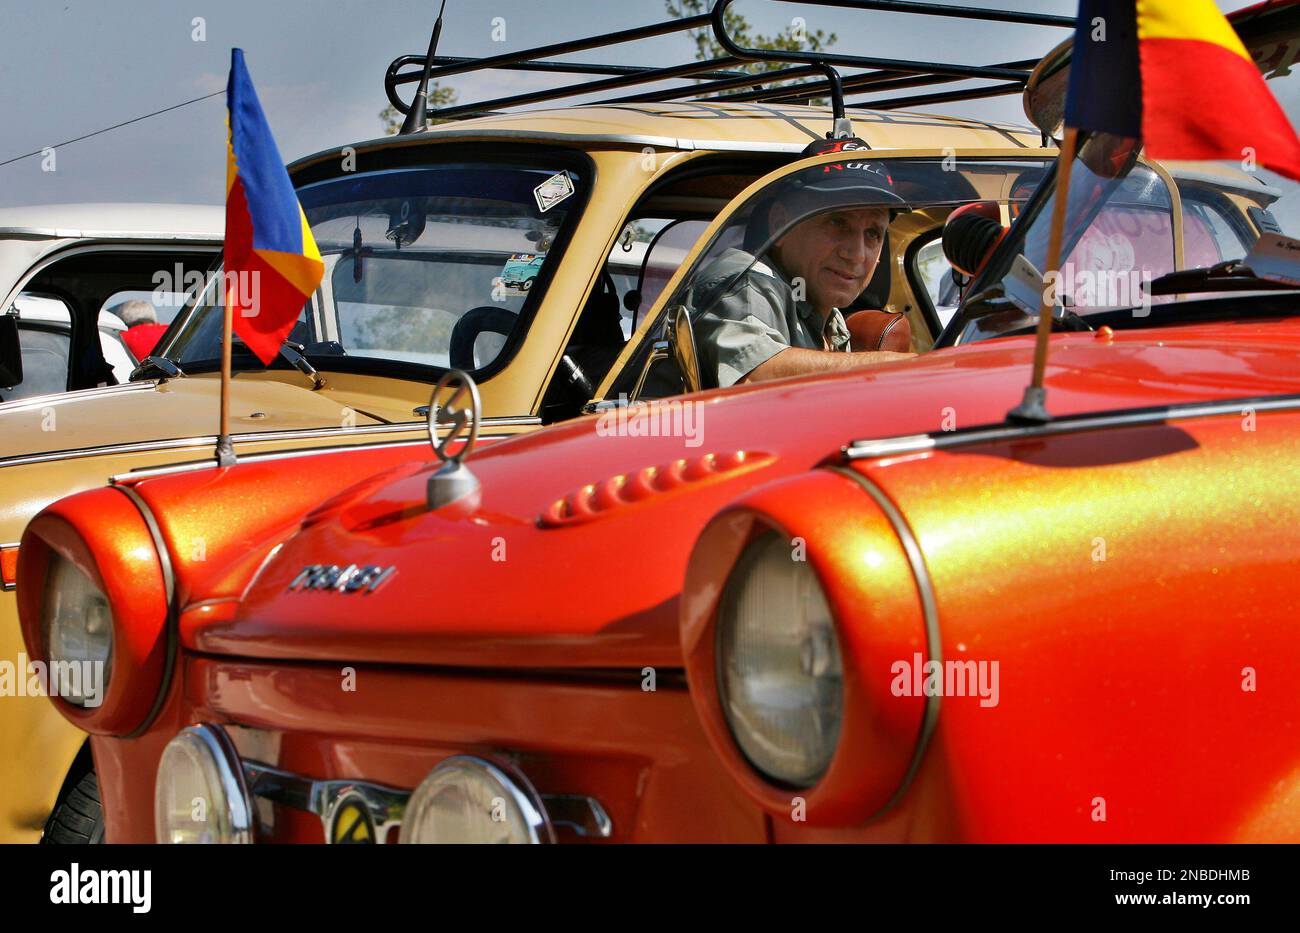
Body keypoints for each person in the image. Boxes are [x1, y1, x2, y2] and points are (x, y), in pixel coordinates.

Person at [689, 158, 916, 388]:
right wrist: (895, 367)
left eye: (873, 233)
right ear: (780, 224)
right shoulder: (744, 281)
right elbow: (754, 379)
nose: (856, 254)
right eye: (837, 222)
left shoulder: (829, 320)